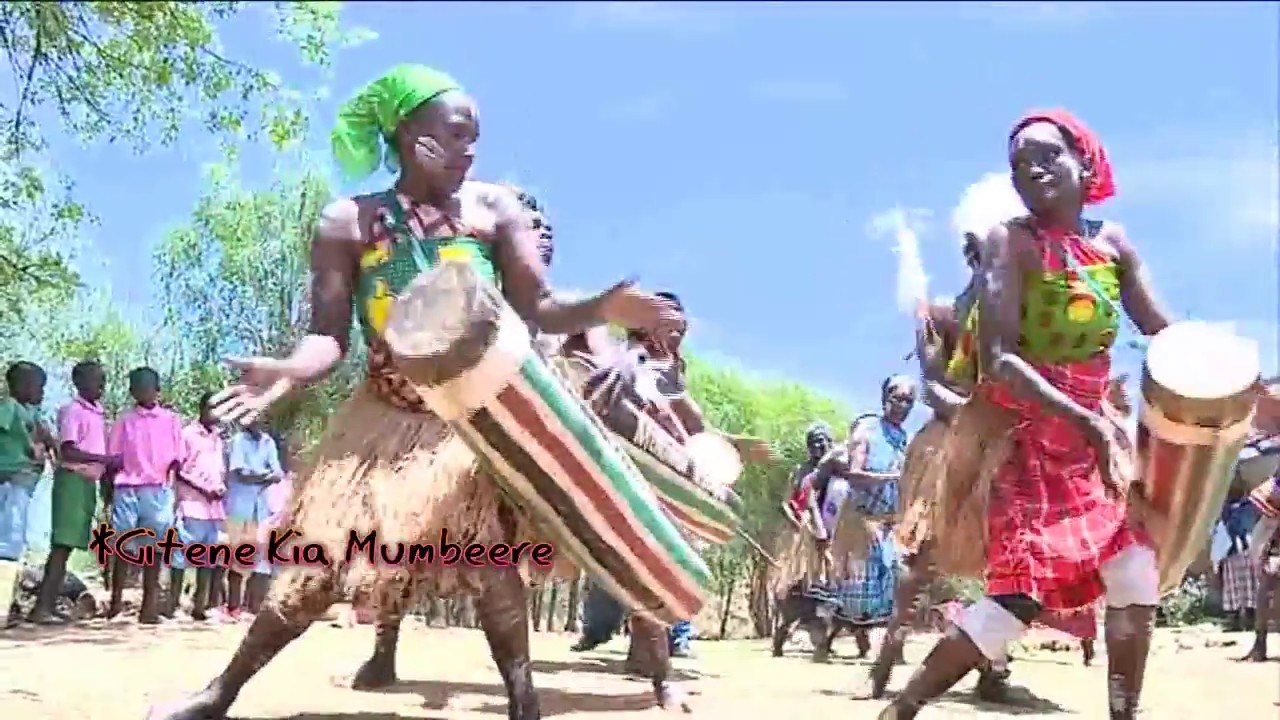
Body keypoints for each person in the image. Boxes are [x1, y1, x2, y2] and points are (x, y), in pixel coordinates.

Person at [151, 64, 678, 720]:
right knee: (317, 567)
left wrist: (605, 306)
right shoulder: (350, 223)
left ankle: (524, 702)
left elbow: (540, 305)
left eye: (475, 139)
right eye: (454, 135)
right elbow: (329, 340)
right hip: (381, 415)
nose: (469, 151)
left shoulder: (493, 211)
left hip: (472, 415)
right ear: (406, 134)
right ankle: (218, 694)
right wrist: (287, 369)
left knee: (487, 563)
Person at [878, 109, 1171, 720]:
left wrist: (1231, 378)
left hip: (1090, 445)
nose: (1031, 169)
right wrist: (1087, 423)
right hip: (1024, 438)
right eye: (1017, 164)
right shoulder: (1008, 243)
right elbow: (1001, 361)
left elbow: (1162, 334)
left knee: (1135, 572)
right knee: (1017, 600)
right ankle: (901, 708)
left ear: (1085, 164)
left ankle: (1126, 714)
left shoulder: (1112, 244)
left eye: (1046, 155)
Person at [819, 375, 914, 658]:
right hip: (861, 520)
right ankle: (827, 641)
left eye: (909, 400)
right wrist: (894, 477)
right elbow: (855, 476)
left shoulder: (903, 438)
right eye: (898, 398)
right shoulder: (867, 430)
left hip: (889, 524)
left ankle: (891, 649)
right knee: (855, 593)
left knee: (894, 583)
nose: (903, 405)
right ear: (885, 398)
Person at [29, 361, 122, 625]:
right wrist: (105, 459)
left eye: (104, 380)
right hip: (72, 479)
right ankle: (42, 608)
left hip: (87, 483)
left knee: (69, 545)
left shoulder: (97, 415)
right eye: (96, 380)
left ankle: (47, 605)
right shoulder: (73, 411)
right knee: (62, 545)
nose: (101, 386)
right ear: (79, 382)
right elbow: (67, 451)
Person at [106, 367, 183, 623]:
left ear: (157, 390)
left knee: (155, 548)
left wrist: (171, 490)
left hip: (158, 490)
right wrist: (108, 491)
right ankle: (115, 605)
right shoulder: (124, 421)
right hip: (127, 488)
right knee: (123, 546)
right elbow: (114, 458)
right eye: (137, 387)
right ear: (131, 391)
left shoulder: (171, 420)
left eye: (147, 387)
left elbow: (177, 459)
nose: (142, 392)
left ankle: (148, 608)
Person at [0, 361, 54, 628]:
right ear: (20, 386)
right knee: (9, 543)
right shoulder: (9, 408)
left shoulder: (30, 413)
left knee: (13, 541)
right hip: (11, 482)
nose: (42, 393)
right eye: (38, 387)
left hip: (22, 484)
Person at [169, 392, 228, 621]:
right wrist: (203, 489)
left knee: (208, 560)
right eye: (215, 408)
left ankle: (199, 607)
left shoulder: (218, 438)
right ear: (203, 408)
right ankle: (173, 607)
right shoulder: (187, 434)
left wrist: (219, 488)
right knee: (181, 557)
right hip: (191, 505)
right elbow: (179, 471)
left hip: (213, 509)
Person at [223, 420, 284, 619]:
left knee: (257, 557)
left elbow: (278, 474)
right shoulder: (238, 441)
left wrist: (257, 475)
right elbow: (241, 475)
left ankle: (251, 607)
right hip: (239, 507)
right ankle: (232, 607)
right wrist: (265, 476)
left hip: (260, 508)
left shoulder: (268, 442)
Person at [1242, 473, 1279, 660]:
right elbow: (1258, 498)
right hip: (1272, 549)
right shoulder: (1272, 490)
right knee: (1265, 594)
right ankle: (1259, 645)